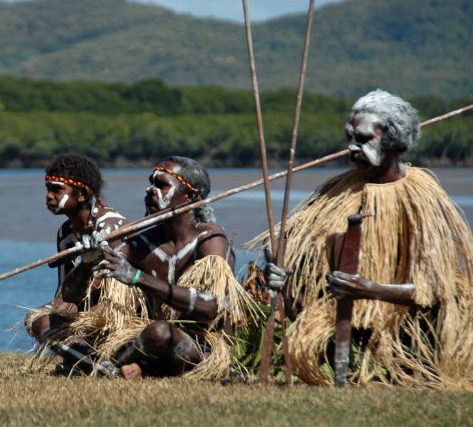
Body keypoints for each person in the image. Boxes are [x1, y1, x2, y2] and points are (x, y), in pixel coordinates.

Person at [260, 89, 473, 387]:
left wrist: (370, 289)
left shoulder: (422, 198)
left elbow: (433, 288)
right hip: (345, 311)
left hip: (406, 319)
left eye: (362, 139)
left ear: (393, 140)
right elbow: (286, 239)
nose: (352, 147)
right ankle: (338, 363)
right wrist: (279, 266)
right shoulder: (338, 190)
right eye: (349, 138)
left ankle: (407, 364)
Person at [76, 156, 254, 379]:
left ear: (190, 196)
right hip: (151, 338)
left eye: (161, 185)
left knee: (159, 331)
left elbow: (211, 306)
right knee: (52, 324)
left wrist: (138, 277)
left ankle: (112, 366)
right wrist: (87, 263)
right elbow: (79, 296)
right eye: (151, 182)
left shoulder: (211, 240)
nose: (150, 189)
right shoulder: (141, 242)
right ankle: (135, 366)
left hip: (200, 346)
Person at [25, 154, 127, 362]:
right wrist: (59, 310)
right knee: (38, 321)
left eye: (56, 190)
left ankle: (95, 359)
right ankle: (87, 361)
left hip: (119, 306)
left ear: (81, 194)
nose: (49, 196)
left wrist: (72, 310)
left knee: (76, 320)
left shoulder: (111, 226)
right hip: (83, 302)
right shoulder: (66, 233)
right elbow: (64, 289)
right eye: (48, 189)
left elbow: (110, 287)